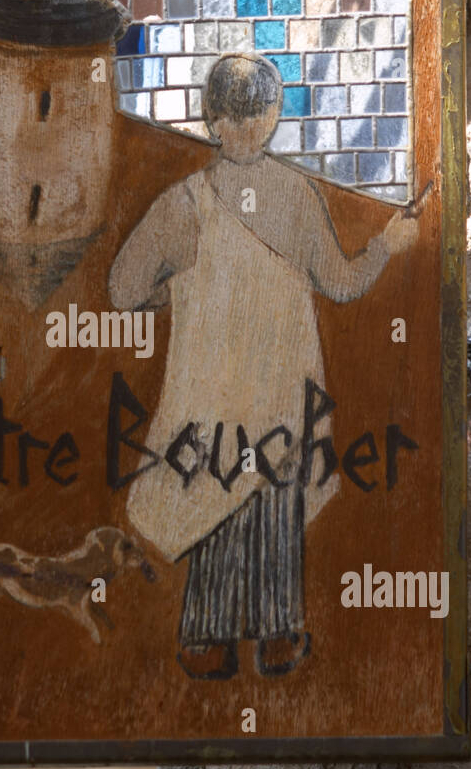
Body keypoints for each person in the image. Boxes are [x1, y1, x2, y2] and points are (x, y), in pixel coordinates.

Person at [108, 52, 420, 679]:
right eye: (246, 115)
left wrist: (178, 290)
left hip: (235, 399)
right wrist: (387, 244)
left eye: (254, 115)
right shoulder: (264, 198)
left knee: (232, 503)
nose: (251, 127)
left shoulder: (194, 203)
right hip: (260, 397)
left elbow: (125, 288)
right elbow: (341, 283)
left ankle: (219, 638)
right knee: (249, 504)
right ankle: (265, 634)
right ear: (228, 120)